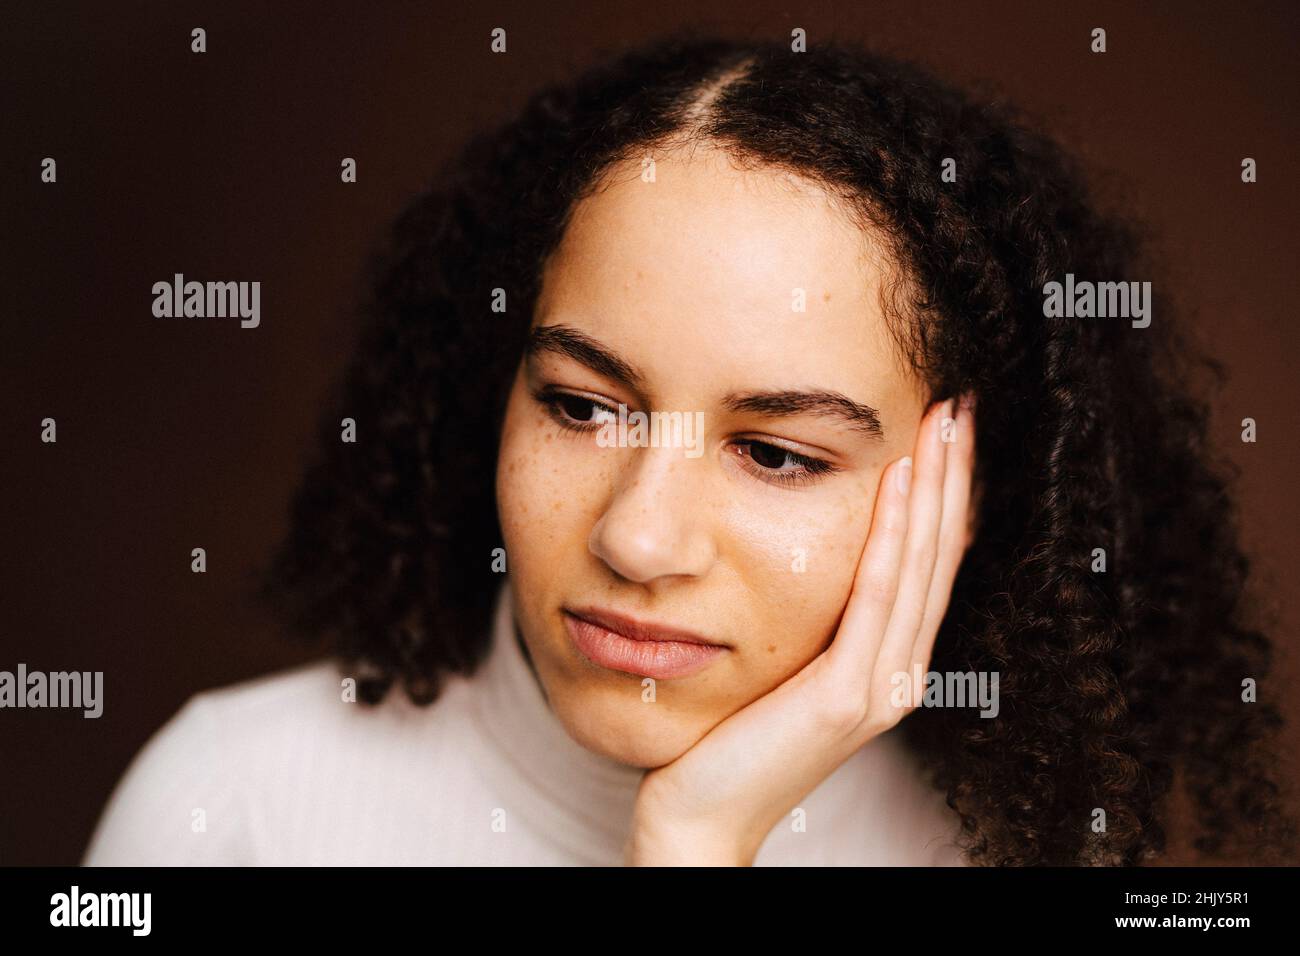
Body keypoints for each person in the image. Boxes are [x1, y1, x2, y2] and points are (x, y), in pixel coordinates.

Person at [83, 32, 1294, 867]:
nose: (635, 535)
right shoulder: (232, 805)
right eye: (580, 405)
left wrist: (696, 843)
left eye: (774, 453)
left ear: (968, 494)